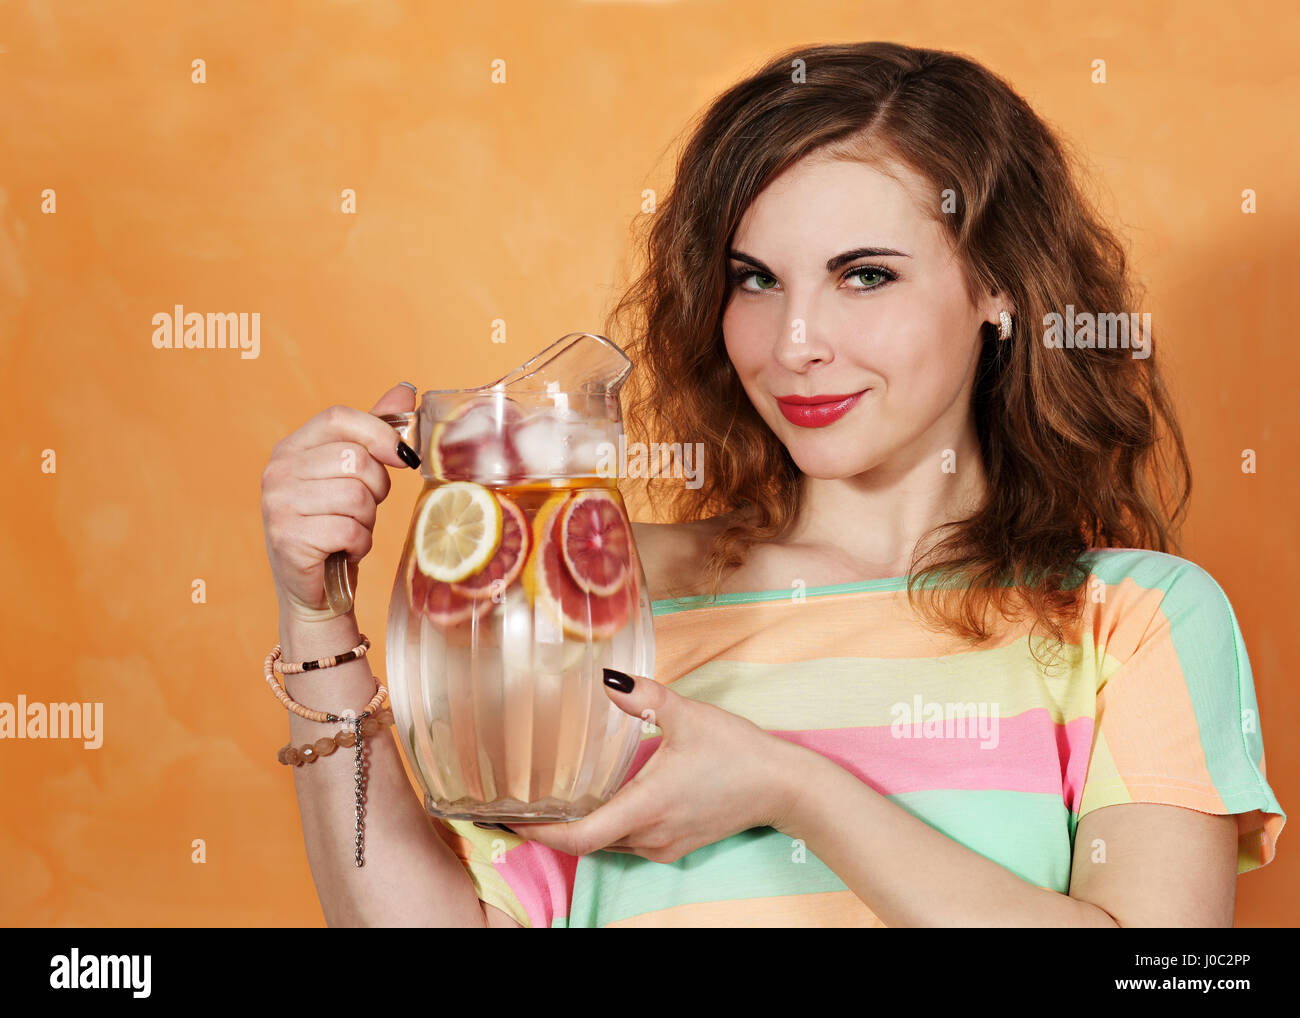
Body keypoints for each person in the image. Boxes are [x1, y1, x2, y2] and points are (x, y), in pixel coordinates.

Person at [259, 41, 1284, 927]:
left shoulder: (1132, 618)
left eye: (865, 274)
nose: (794, 345)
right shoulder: (608, 583)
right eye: (755, 280)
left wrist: (793, 789)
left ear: (998, 288)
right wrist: (317, 619)